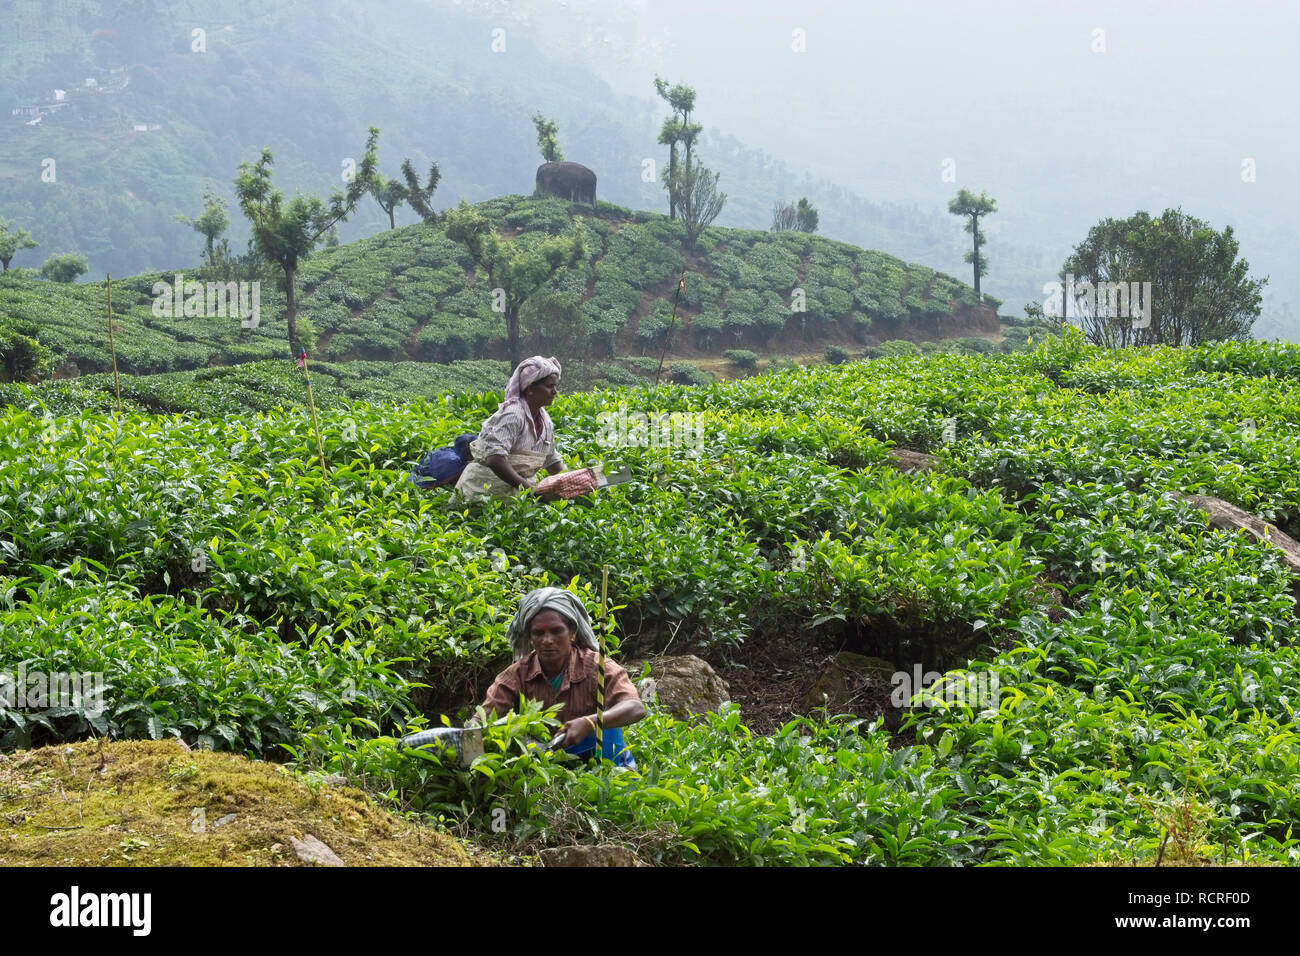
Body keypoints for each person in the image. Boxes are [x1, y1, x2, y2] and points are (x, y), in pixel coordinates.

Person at [475, 587, 646, 767]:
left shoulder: (598, 667)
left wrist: (590, 722)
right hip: (547, 769)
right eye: (538, 633)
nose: (547, 640)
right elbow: (482, 722)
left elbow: (635, 708)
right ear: (530, 638)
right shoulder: (516, 676)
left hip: (605, 765)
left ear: (572, 632)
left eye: (557, 631)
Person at [454, 356, 567, 502]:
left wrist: (573, 481)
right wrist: (530, 490)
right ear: (531, 388)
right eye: (549, 386)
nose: (554, 392)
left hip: (515, 497)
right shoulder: (513, 414)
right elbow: (495, 459)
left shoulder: (545, 420)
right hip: (484, 493)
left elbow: (551, 459)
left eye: (555, 386)